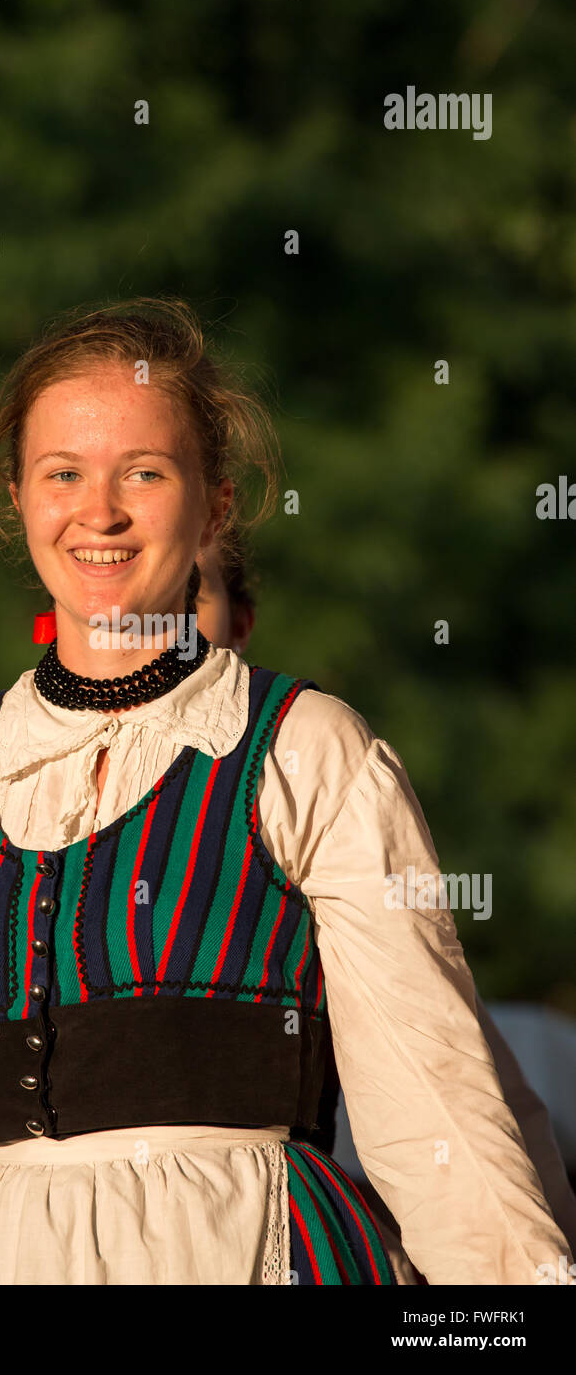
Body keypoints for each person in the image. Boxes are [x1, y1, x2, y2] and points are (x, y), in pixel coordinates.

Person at [0, 296, 575, 1285]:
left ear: (215, 503)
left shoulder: (308, 746)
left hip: (240, 1250)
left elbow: (430, 1097)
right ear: (15, 497)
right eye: (62, 475)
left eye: (144, 471)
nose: (99, 512)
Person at [194, 527, 576, 1285]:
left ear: (241, 624)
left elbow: (460, 1098)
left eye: (188, 595)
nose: (149, 626)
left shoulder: (313, 772)